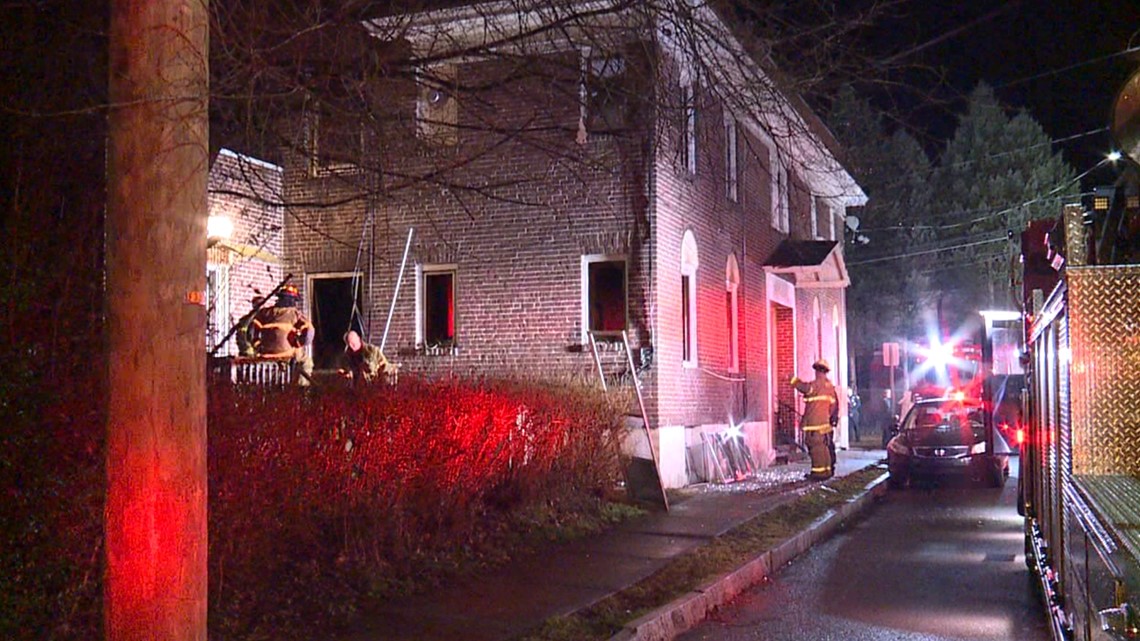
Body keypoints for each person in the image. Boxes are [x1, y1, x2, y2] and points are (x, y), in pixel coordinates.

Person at [252, 284, 314, 385]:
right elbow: (309, 331)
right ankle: (302, 389)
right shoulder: (295, 314)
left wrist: (258, 346)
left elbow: (251, 333)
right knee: (306, 362)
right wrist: (298, 343)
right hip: (287, 355)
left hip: (266, 355)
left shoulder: (264, 313)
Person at [792, 359, 840, 480]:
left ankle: (818, 474)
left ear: (818, 371)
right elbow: (834, 407)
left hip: (814, 425)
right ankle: (826, 472)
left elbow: (804, 388)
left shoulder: (816, 385)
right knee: (824, 449)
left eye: (816, 370)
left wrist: (792, 379)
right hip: (824, 425)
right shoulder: (830, 388)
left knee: (816, 449)